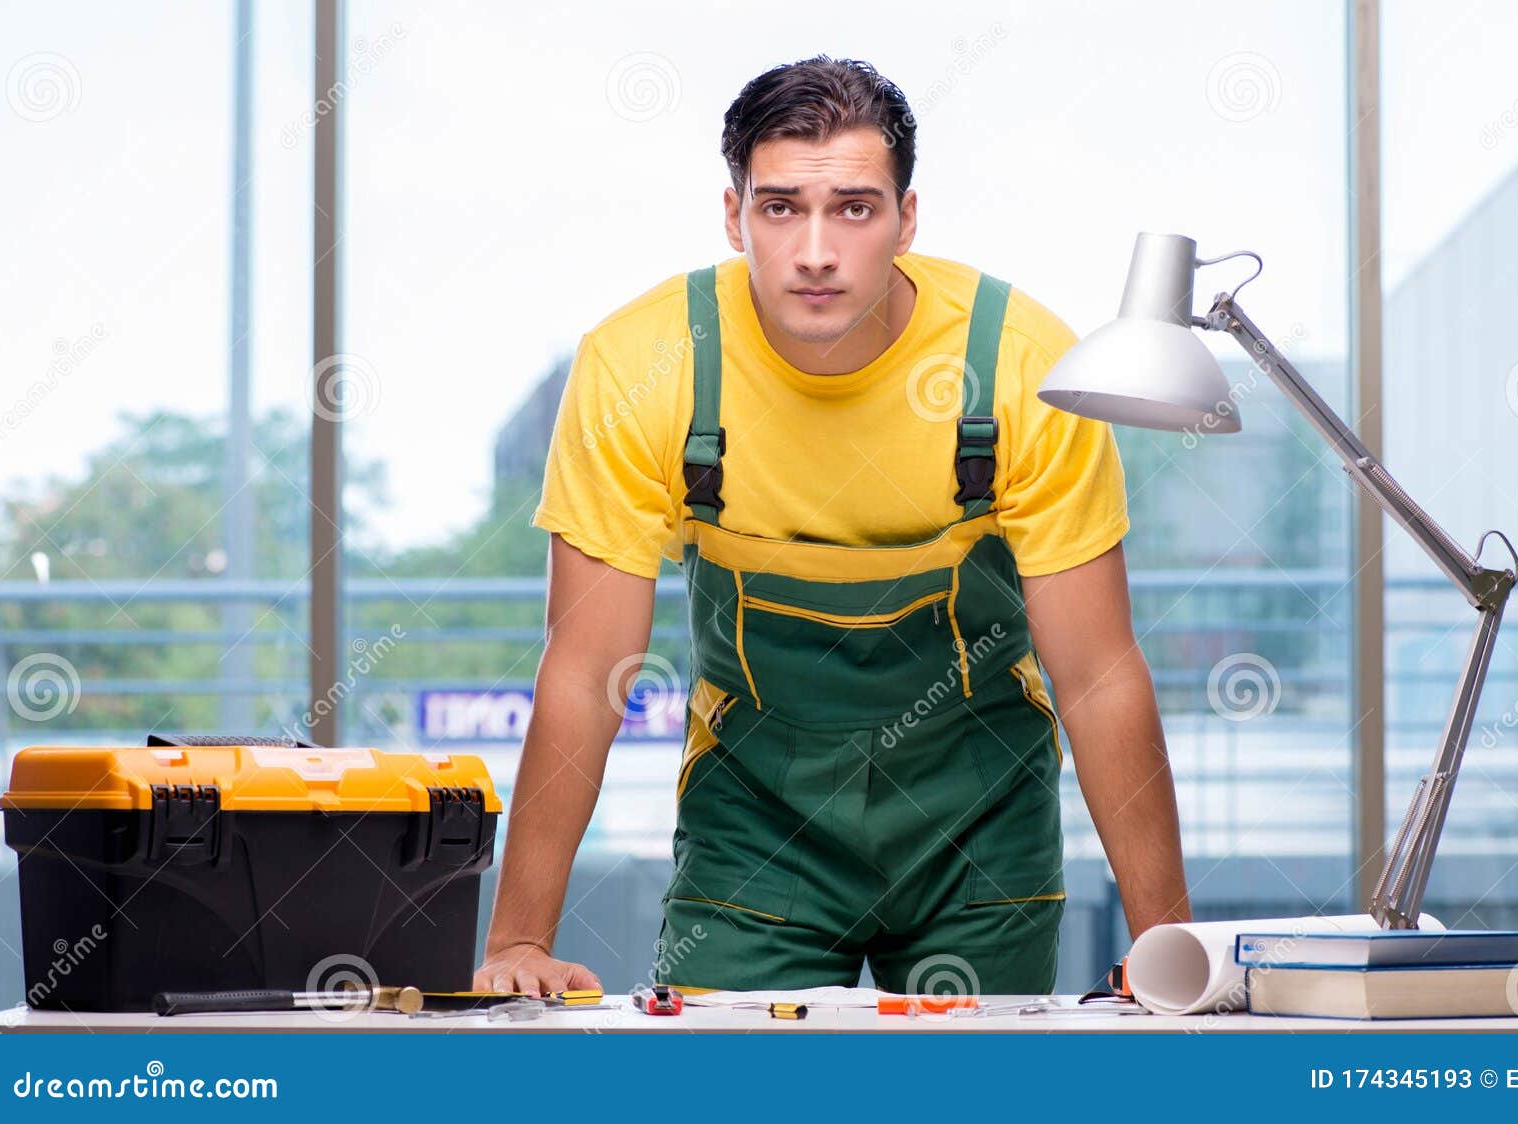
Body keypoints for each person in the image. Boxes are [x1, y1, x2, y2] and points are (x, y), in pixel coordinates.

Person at [474, 55, 1190, 997]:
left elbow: (1097, 677)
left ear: (907, 219)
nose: (817, 251)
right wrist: (519, 940)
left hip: (978, 831)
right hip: (756, 833)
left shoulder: (1019, 365)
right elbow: (582, 673)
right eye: (780, 209)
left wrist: (1175, 948)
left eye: (854, 208)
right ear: (733, 216)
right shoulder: (643, 366)